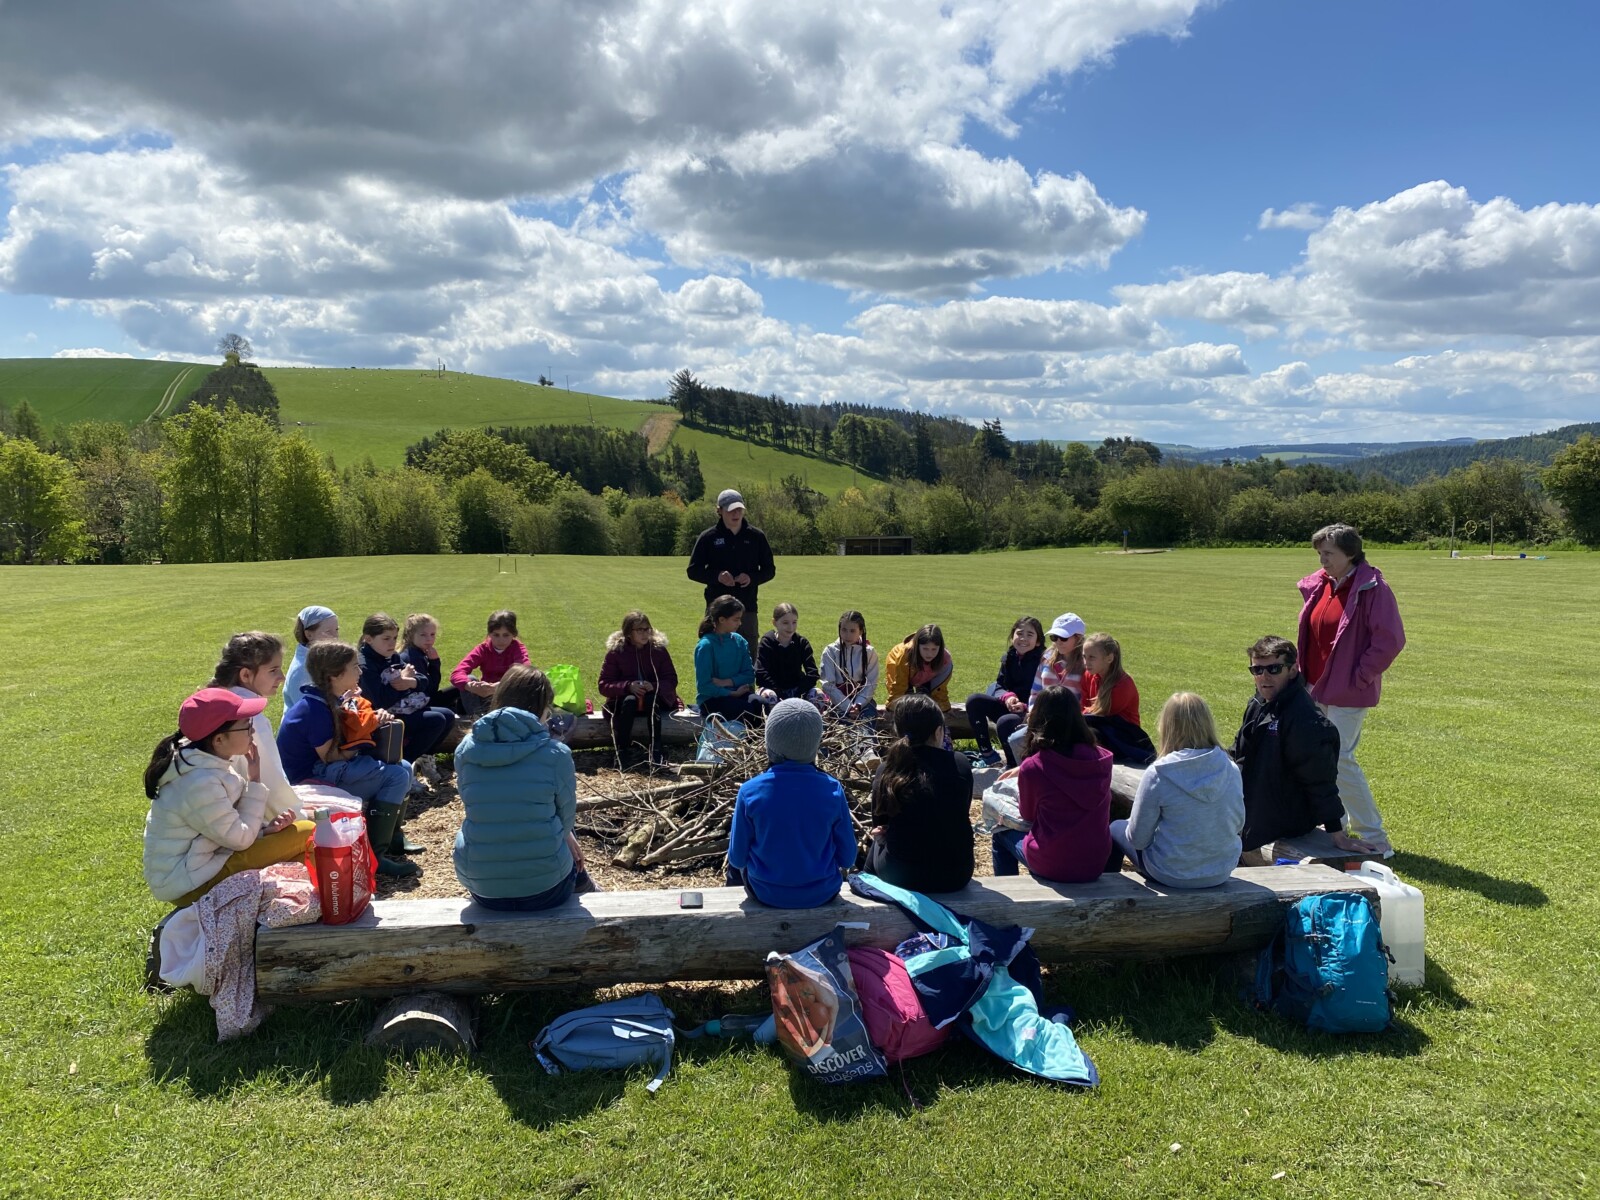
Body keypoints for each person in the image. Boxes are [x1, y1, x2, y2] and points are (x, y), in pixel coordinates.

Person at [143, 688, 316, 906]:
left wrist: (265, 831)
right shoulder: (199, 782)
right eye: (246, 726)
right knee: (308, 834)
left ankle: (309, 912)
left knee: (298, 855)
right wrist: (254, 781)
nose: (252, 732)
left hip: (204, 866)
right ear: (219, 740)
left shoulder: (206, 765)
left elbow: (224, 830)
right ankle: (328, 911)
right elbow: (239, 839)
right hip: (190, 882)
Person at [1297, 523, 1406, 859]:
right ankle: (1336, 826)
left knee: (1341, 759)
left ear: (1350, 553)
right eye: (1320, 553)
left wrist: (1360, 676)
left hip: (1347, 690)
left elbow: (1390, 640)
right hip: (1315, 687)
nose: (1322, 559)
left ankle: (1375, 837)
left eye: (1328, 553)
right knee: (1321, 759)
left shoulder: (1373, 588)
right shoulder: (1323, 585)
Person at [453, 665, 596, 910]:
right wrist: (566, 834)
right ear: (543, 707)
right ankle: (584, 883)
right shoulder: (555, 753)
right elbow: (566, 815)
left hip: (482, 888)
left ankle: (582, 882)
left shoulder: (467, 749)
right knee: (564, 825)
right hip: (546, 889)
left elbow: (474, 802)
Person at [277, 641, 419, 877]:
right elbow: (331, 757)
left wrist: (372, 719)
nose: (360, 672)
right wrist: (363, 734)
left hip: (324, 769)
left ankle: (394, 838)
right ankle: (375, 857)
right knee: (395, 776)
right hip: (311, 780)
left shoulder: (329, 698)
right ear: (334, 675)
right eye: (355, 667)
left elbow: (350, 726)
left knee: (403, 766)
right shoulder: (315, 710)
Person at [1231, 635, 1369, 857]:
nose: (1264, 677)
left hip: (1284, 818)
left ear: (1292, 670)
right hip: (1253, 804)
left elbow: (1320, 781)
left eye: (1274, 669)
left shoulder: (1305, 720)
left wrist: (1336, 832)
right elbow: (1238, 751)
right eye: (1257, 670)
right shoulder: (1258, 703)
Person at [727, 698, 856, 907]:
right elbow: (848, 858)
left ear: (771, 741)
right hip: (822, 893)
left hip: (766, 893)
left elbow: (737, 859)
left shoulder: (749, 791)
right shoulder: (832, 789)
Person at [1111, 693, 1244, 888]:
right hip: (1220, 871)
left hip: (1171, 873)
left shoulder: (1159, 773)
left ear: (1167, 727)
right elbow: (1239, 824)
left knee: (1114, 828)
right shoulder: (1230, 768)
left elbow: (1138, 840)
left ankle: (1106, 894)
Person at [990, 686, 1113, 883]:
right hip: (1095, 862)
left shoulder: (1035, 767)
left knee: (1000, 833)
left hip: (1053, 862)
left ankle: (1008, 891)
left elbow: (1027, 816)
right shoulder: (1101, 760)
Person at [864, 695, 975, 893]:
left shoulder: (887, 769)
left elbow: (879, 823)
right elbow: (960, 811)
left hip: (900, 874)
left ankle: (867, 890)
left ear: (898, 731)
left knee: (876, 843)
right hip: (956, 875)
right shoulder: (960, 764)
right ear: (939, 731)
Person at [358, 611, 455, 767]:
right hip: (381, 717)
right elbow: (380, 701)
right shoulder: (365, 665)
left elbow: (424, 682)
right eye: (386, 638)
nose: (392, 643)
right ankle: (402, 765)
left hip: (403, 707)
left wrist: (410, 682)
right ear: (368, 639)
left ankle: (424, 757)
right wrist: (401, 683)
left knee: (448, 715)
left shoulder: (391, 656)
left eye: (394, 638)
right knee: (436, 720)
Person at [685, 489, 776, 657]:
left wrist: (751, 577)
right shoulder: (708, 537)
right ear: (719, 510)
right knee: (714, 654)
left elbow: (769, 570)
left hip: (747, 608)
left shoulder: (756, 536)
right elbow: (693, 570)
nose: (736, 513)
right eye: (731, 509)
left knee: (748, 656)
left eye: (739, 509)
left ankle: (746, 685)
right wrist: (717, 576)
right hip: (717, 609)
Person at [597, 610, 681, 769]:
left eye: (647, 629)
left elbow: (671, 679)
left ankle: (656, 750)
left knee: (651, 700)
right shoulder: (616, 652)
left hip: (655, 699)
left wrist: (654, 686)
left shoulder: (658, 650)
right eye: (639, 630)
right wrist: (628, 686)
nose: (644, 633)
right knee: (629, 702)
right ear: (629, 632)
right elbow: (603, 685)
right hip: (623, 701)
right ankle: (622, 750)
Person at [963, 616, 1045, 768]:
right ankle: (988, 755)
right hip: (1010, 706)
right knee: (974, 700)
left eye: (1030, 635)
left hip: (1031, 713)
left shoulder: (1043, 661)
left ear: (1038, 641)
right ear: (1012, 635)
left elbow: (1047, 693)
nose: (1023, 638)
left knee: (1004, 722)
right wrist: (1008, 697)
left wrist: (1026, 707)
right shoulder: (1010, 657)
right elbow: (998, 685)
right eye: (1019, 633)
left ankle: (1013, 764)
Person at [1081, 632, 1155, 766]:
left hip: (1124, 737)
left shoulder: (1123, 684)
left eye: (1092, 657)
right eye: (1084, 657)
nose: (1086, 662)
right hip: (1101, 728)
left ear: (1109, 659)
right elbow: (1085, 707)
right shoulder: (1089, 676)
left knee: (1084, 731)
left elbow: (1101, 715)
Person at [451, 610, 531, 717]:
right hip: (484, 694)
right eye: (496, 635)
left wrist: (499, 687)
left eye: (506, 635)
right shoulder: (483, 649)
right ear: (489, 634)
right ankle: (477, 718)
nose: (501, 640)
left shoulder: (517, 649)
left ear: (514, 634)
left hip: (507, 694)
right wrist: (470, 685)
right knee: (470, 678)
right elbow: (457, 673)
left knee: (526, 684)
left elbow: (524, 673)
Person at [694, 595, 759, 721]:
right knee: (746, 711)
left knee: (762, 706)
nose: (740, 623)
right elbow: (704, 686)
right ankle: (741, 740)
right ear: (722, 619)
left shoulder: (740, 641)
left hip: (738, 694)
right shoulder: (706, 646)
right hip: (712, 699)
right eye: (736, 619)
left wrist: (727, 682)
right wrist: (731, 693)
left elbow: (750, 675)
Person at [755, 602, 824, 708]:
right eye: (785, 623)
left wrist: (798, 692)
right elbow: (761, 672)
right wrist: (778, 692)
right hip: (773, 689)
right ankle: (771, 723)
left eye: (794, 622)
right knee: (769, 696)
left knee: (818, 694)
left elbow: (813, 673)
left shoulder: (801, 642)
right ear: (774, 622)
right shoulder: (767, 642)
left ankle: (813, 723)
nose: (791, 627)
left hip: (797, 689)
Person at [819, 610, 879, 721]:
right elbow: (828, 684)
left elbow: (870, 683)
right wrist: (847, 706)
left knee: (865, 729)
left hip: (863, 704)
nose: (847, 635)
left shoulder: (869, 652)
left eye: (852, 631)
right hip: (837, 702)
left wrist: (858, 704)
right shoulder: (830, 651)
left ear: (861, 631)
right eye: (844, 630)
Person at [883, 624, 954, 711]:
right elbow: (898, 685)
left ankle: (922, 689)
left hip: (925, 676)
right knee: (905, 703)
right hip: (899, 668)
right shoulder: (904, 654)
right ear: (917, 645)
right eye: (925, 649)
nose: (930, 654)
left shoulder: (945, 659)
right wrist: (893, 705)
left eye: (934, 649)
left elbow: (939, 687)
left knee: (927, 703)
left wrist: (944, 708)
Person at [400, 612, 460, 714]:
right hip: (417, 704)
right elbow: (430, 689)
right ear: (411, 635)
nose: (429, 639)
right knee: (463, 685)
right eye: (423, 635)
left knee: (463, 685)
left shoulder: (414, 651)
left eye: (432, 634)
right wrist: (434, 662)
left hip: (421, 700)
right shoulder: (414, 657)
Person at [283, 604, 338, 705]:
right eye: (328, 632)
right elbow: (306, 712)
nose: (335, 637)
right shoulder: (302, 670)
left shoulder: (322, 658)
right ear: (309, 634)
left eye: (336, 630)